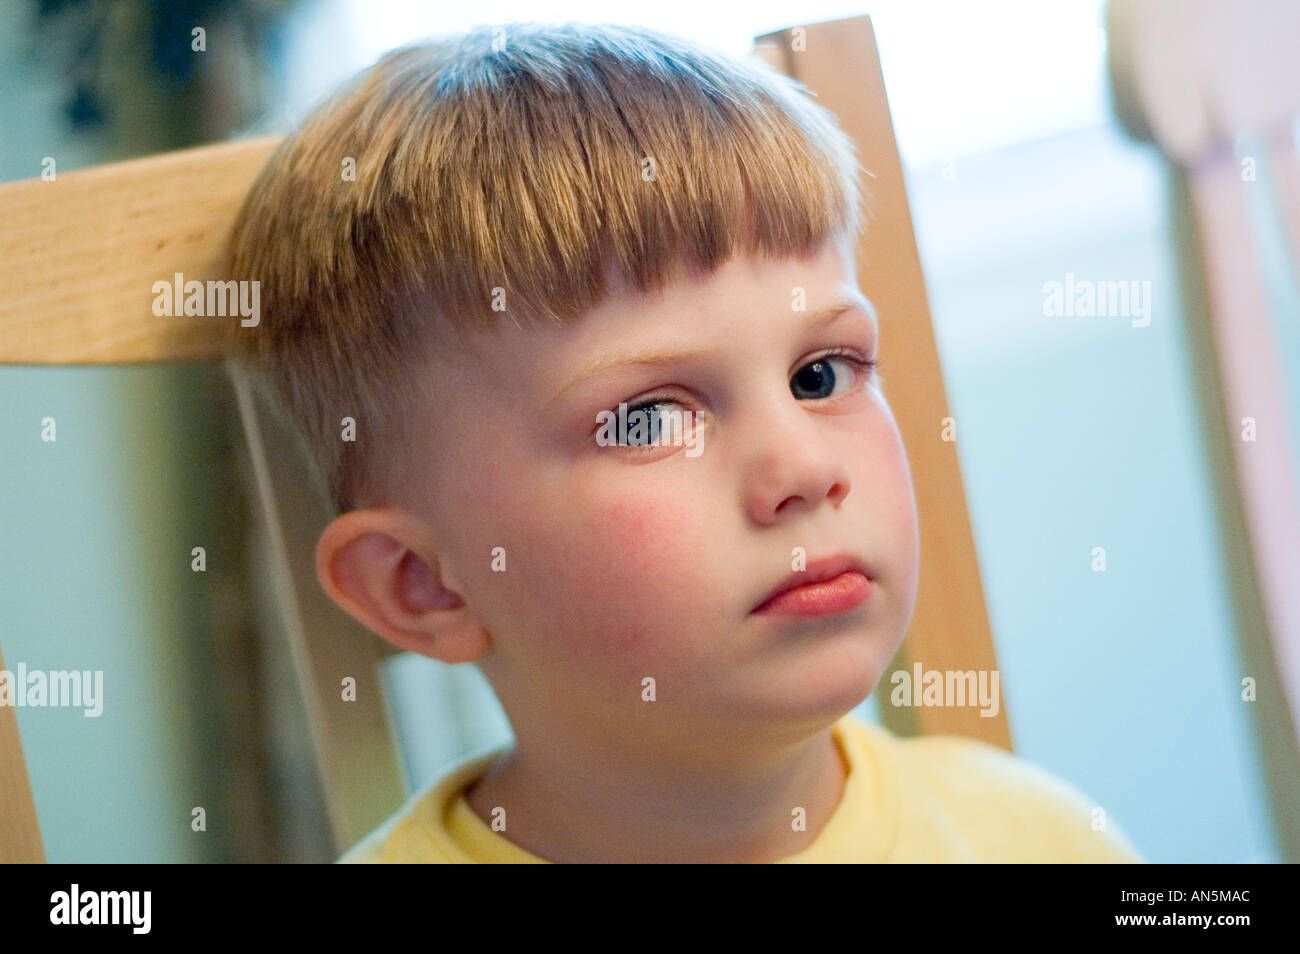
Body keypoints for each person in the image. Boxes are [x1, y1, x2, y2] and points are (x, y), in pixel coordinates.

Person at [218, 21, 1143, 864]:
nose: (805, 470)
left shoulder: (1034, 840)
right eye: (651, 419)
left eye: (820, 375)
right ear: (421, 584)